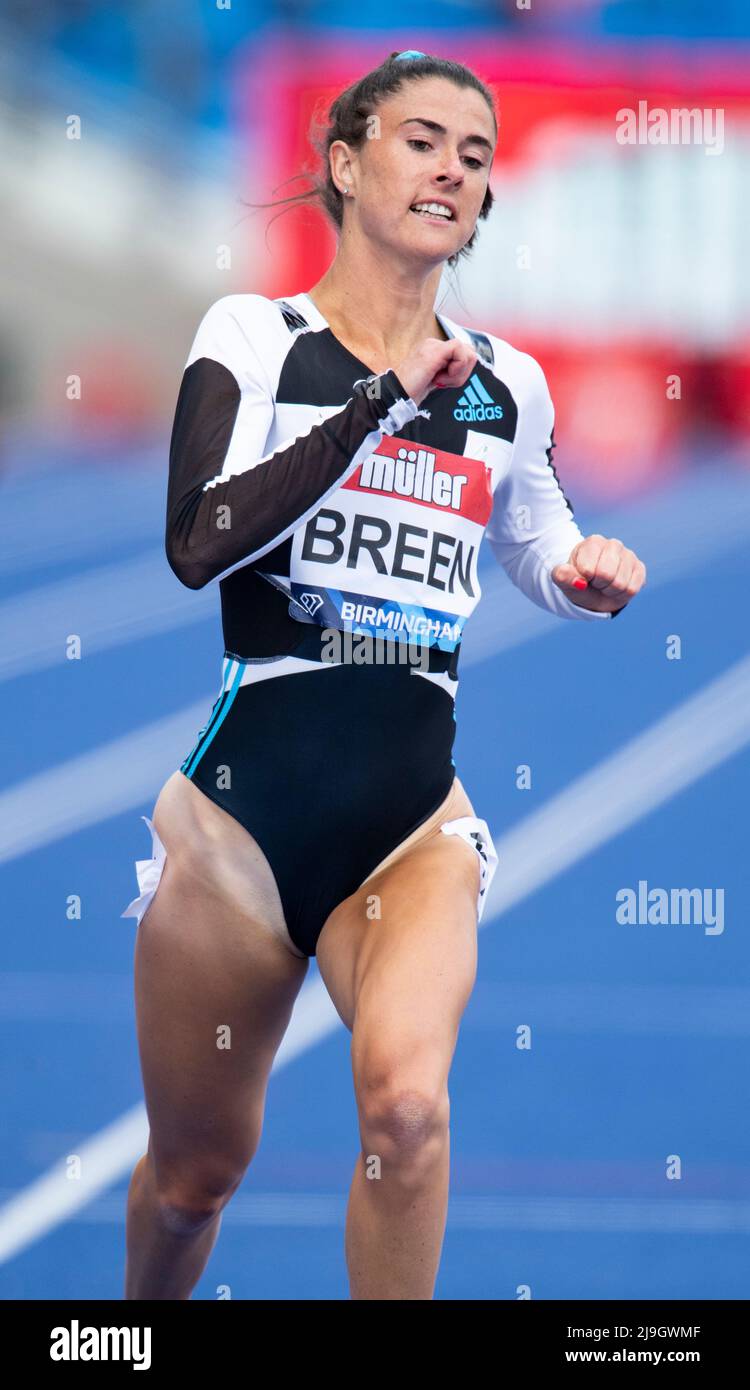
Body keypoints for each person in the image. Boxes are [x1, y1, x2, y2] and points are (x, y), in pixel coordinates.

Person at [121, 50, 646, 1301]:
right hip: (237, 833)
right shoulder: (253, 335)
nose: (453, 169)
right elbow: (198, 541)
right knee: (195, 1177)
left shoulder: (506, 384)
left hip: (411, 825)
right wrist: (375, 402)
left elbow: (534, 536)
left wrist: (586, 568)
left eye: (475, 156)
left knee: (409, 1113)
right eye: (423, 141)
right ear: (346, 167)